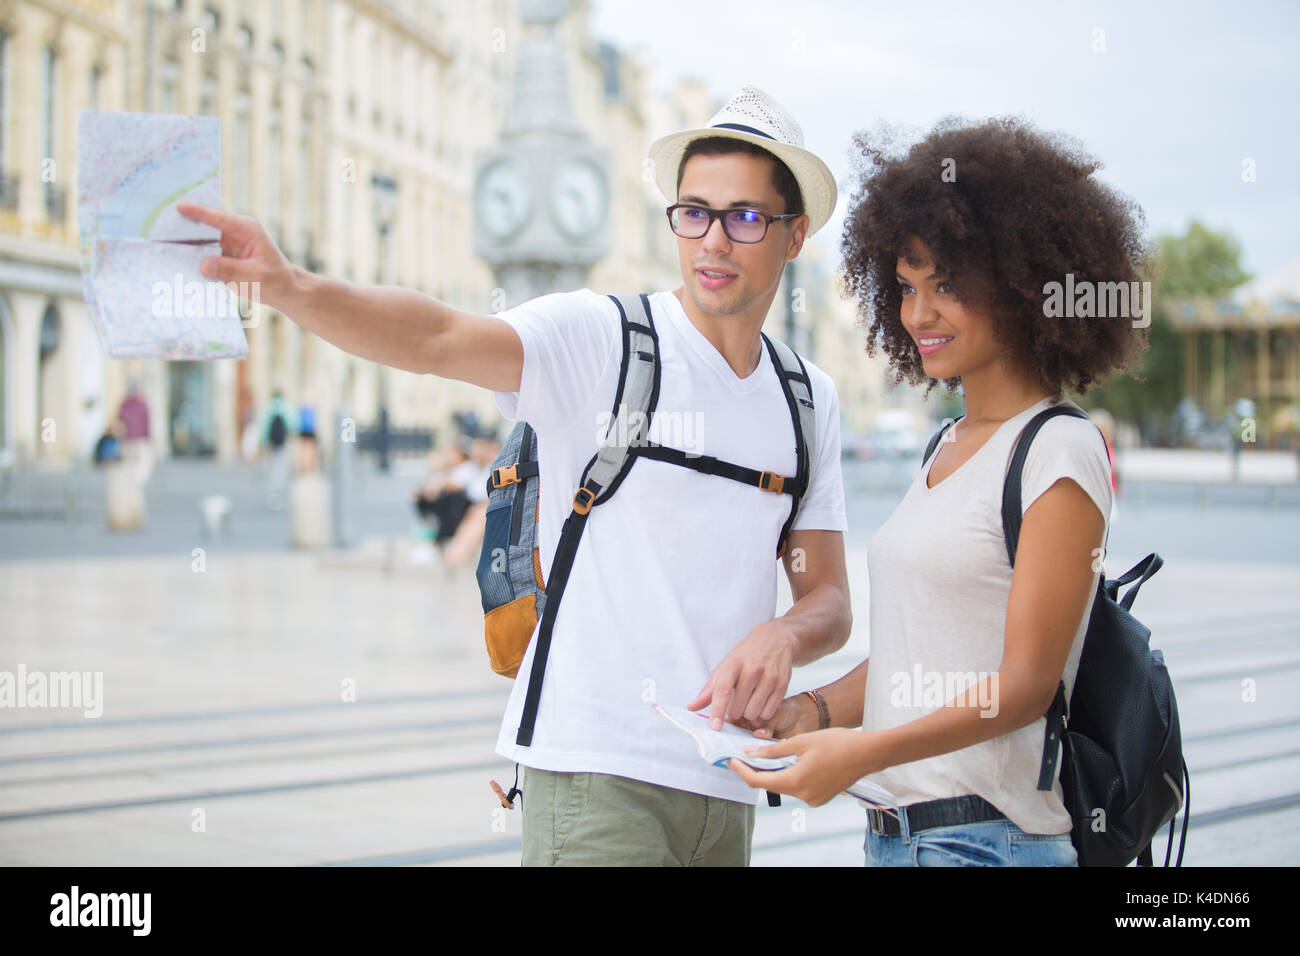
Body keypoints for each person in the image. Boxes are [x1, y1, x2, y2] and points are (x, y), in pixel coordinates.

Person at [177, 85, 851, 867]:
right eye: (693, 212)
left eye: (745, 218)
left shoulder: (807, 399)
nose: (713, 241)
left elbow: (829, 599)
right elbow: (436, 336)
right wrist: (292, 288)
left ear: (794, 234)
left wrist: (783, 635)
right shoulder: (605, 339)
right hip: (597, 774)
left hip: (729, 783)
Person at [728, 116, 1150, 867]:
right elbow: (915, 661)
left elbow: (1023, 687)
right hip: (901, 840)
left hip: (988, 842)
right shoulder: (944, 447)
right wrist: (813, 711)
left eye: (948, 286)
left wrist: (859, 754)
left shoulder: (1058, 449)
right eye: (906, 287)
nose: (918, 315)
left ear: (1024, 287)